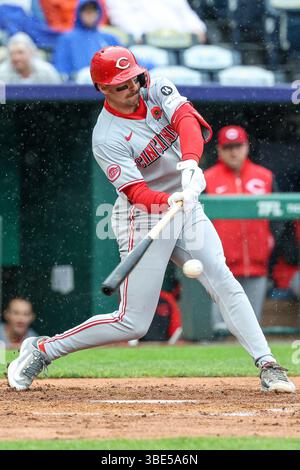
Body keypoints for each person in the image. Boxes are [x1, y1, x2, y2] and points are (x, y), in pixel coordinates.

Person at [7, 46, 295, 394]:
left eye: (133, 78)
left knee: (222, 278)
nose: (131, 87)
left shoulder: (156, 87)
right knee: (132, 323)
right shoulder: (106, 136)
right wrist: (168, 198)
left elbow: (187, 120)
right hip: (142, 218)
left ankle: (267, 364)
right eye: (121, 84)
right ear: (103, 89)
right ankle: (42, 349)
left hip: (186, 206)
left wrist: (190, 164)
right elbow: (135, 191)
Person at [204, 126, 279, 333]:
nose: (233, 152)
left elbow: (279, 218)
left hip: (257, 264)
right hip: (221, 267)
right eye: (228, 147)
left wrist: (269, 242)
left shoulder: (264, 176)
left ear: (247, 147)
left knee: (251, 328)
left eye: (238, 146)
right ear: (219, 150)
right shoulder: (207, 178)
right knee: (219, 328)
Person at [53, 0, 120, 80]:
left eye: (93, 10)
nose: (90, 14)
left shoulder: (109, 38)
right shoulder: (66, 39)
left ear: (98, 13)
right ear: (79, 13)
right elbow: (62, 70)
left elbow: (124, 63)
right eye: (86, 10)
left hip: (109, 83)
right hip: (78, 86)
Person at [105, 0, 207, 43]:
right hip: (145, 44)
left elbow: (186, 13)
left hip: (181, 43)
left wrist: (197, 29)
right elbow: (120, 17)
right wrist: (139, 36)